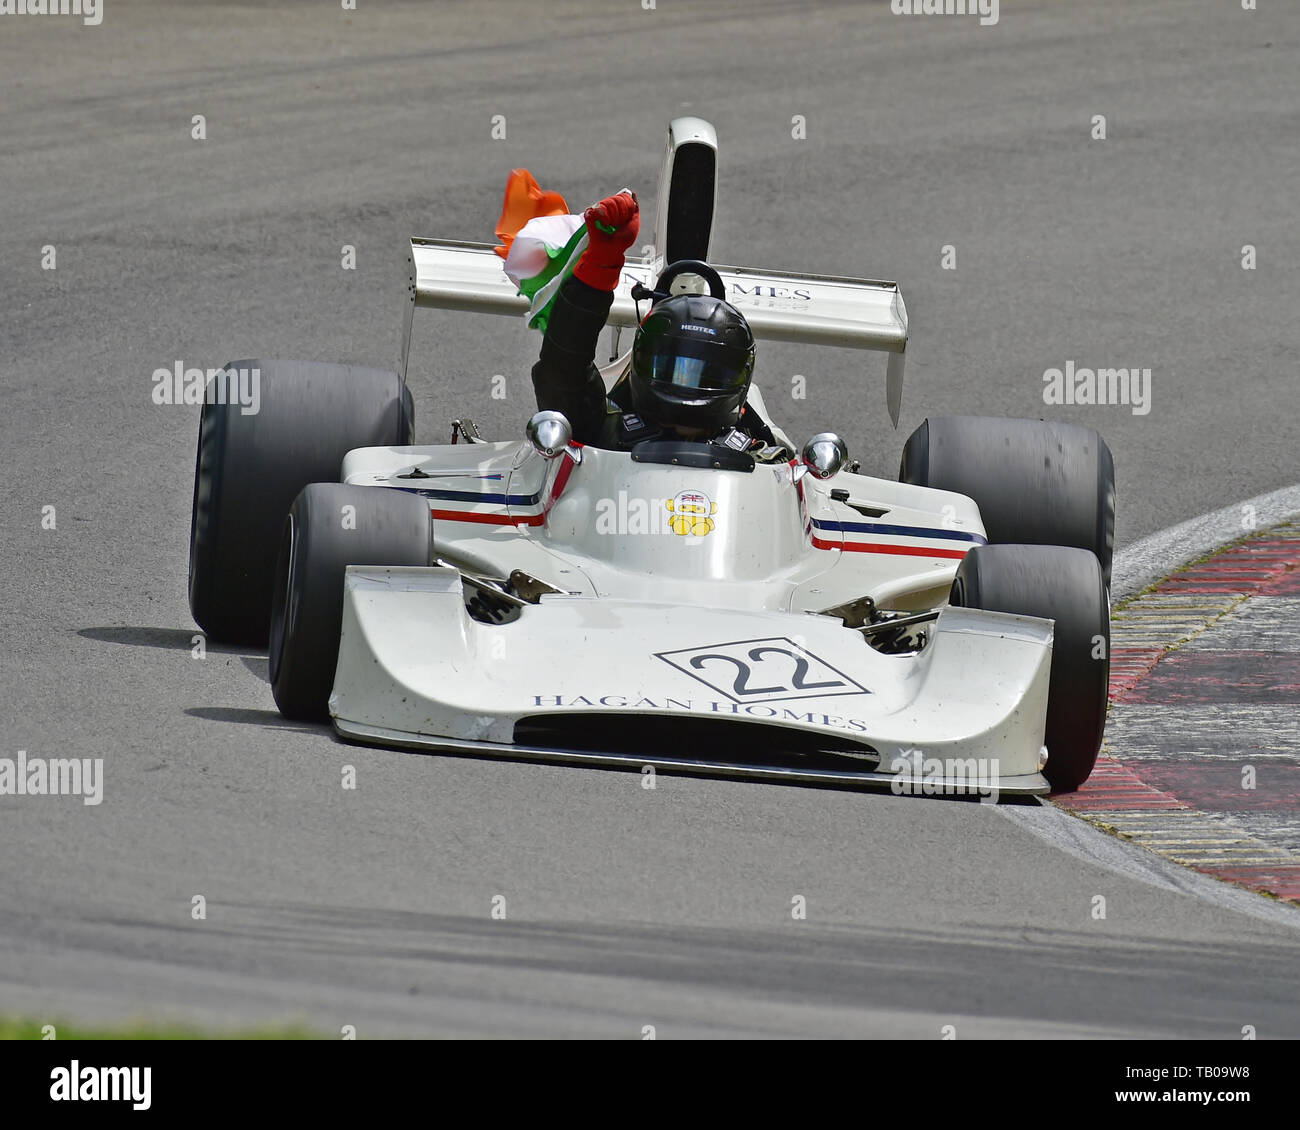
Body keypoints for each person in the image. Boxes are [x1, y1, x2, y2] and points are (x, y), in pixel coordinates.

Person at [530, 191, 787, 458]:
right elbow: (562, 370)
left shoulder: (763, 460)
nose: (687, 384)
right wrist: (601, 264)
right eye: (675, 369)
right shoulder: (603, 435)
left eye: (705, 373)